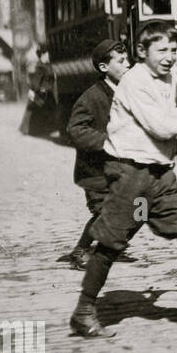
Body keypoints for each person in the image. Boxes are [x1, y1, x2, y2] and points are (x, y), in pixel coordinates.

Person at [68, 21, 177, 338]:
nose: (170, 57)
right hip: (131, 174)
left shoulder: (165, 77)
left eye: (174, 50)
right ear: (142, 52)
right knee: (110, 244)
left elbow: (165, 113)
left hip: (159, 173)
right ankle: (84, 310)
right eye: (162, 50)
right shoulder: (135, 81)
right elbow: (161, 126)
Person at [64, 39, 132, 271]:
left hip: (117, 168)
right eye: (121, 61)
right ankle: (80, 250)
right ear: (104, 68)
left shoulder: (125, 91)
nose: (128, 64)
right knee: (104, 212)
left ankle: (111, 245)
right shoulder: (91, 97)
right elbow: (75, 130)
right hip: (95, 171)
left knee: (134, 207)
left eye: (127, 60)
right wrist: (107, 141)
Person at [20, 46, 57, 137]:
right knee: (36, 109)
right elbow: (36, 80)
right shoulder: (40, 66)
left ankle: (47, 129)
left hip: (48, 91)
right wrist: (38, 89)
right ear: (43, 55)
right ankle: (29, 130)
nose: (49, 56)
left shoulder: (47, 65)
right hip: (41, 91)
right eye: (47, 54)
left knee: (47, 110)